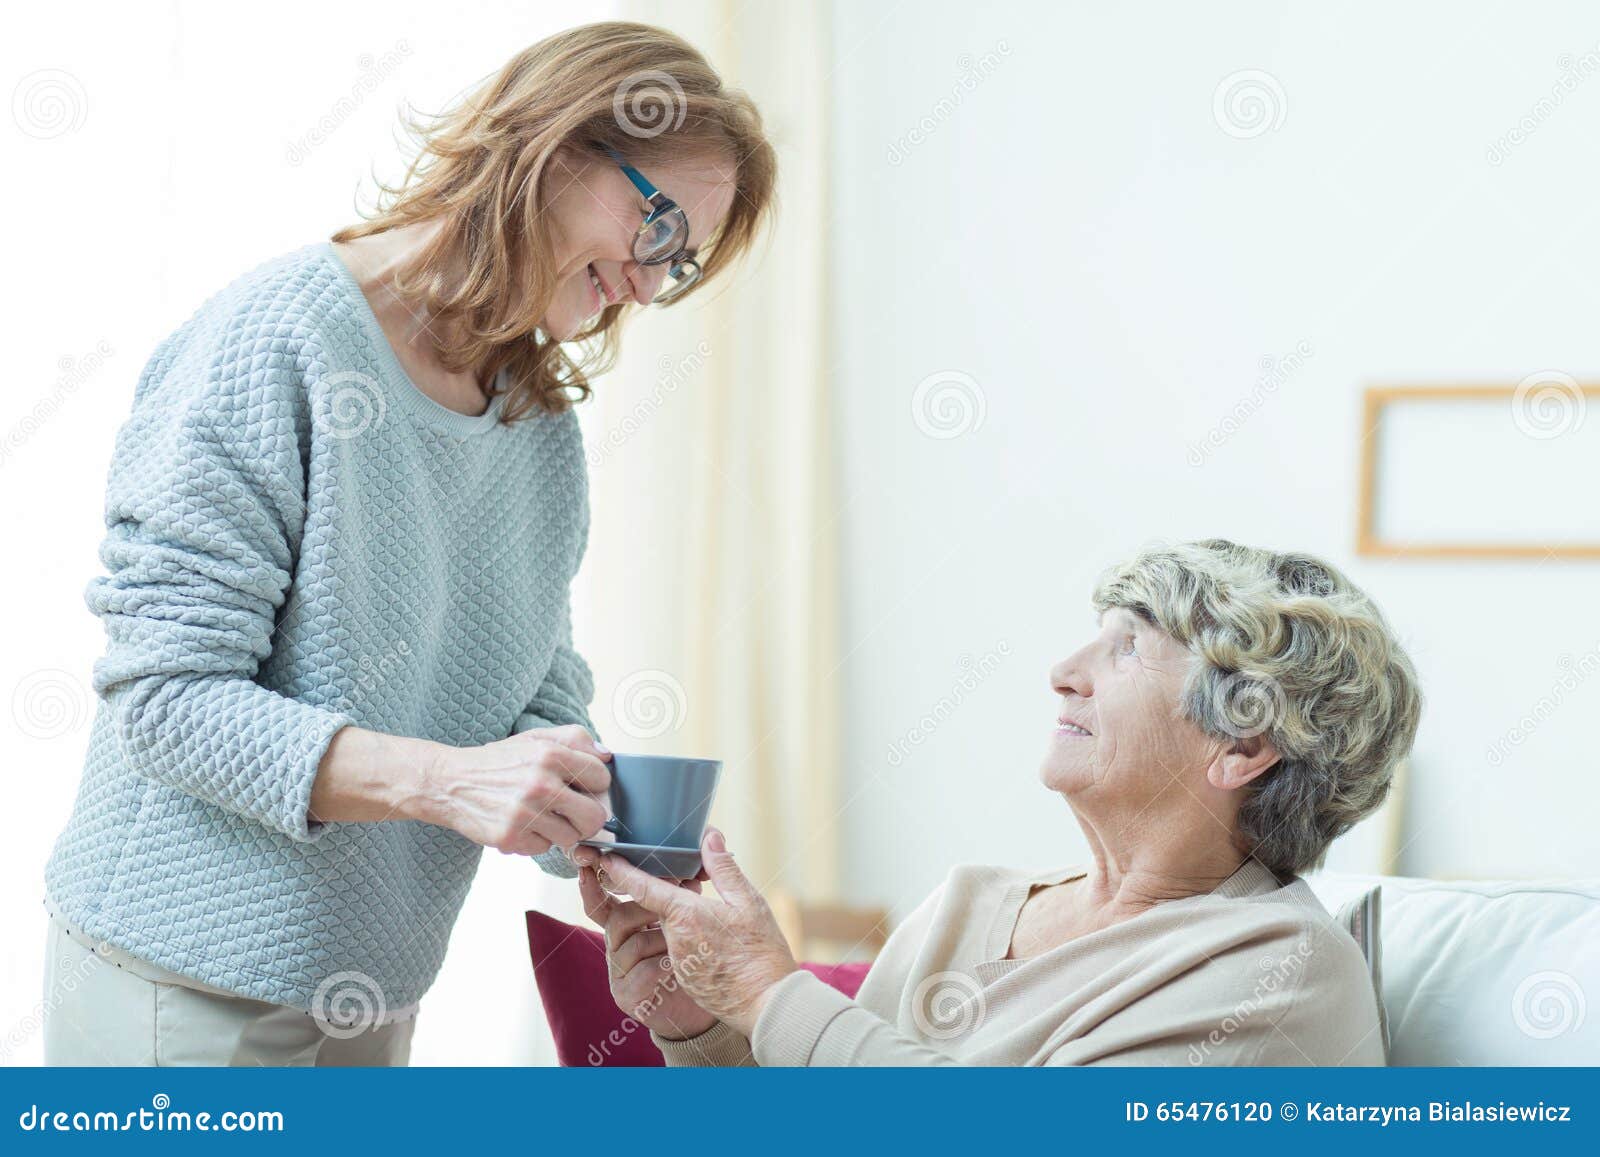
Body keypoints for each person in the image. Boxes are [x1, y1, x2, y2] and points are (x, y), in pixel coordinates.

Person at [41, 21, 776, 1067]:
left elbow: (532, 689)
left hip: (373, 990)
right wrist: (446, 781)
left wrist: (618, 849)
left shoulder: (536, 420)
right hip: (185, 983)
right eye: (657, 229)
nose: (654, 286)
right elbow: (165, 701)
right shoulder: (275, 338)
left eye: (683, 263)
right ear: (557, 147)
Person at [582, 540, 1421, 1066]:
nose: (1065, 667)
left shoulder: (1280, 970)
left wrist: (770, 992)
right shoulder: (966, 901)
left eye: (1127, 648)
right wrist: (705, 1024)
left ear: (1240, 746)